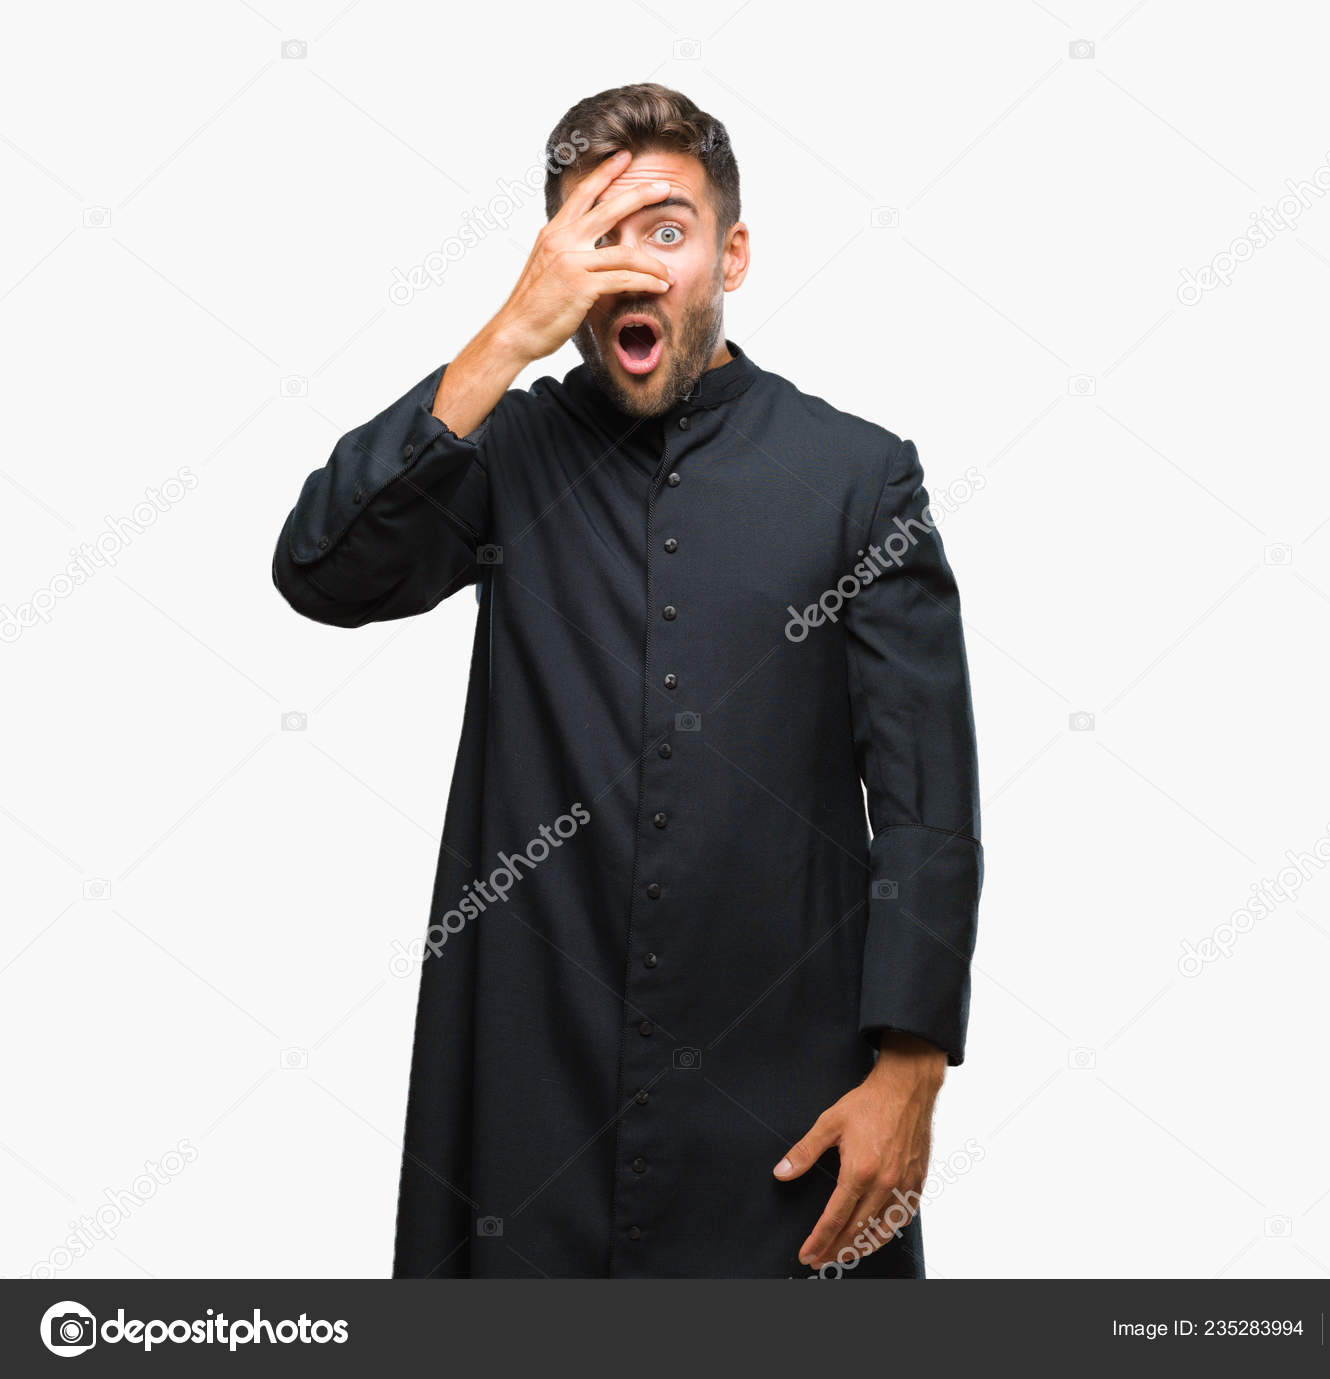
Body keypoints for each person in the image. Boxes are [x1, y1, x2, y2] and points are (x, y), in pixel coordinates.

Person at [271, 83, 982, 1279]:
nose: (635, 266)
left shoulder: (858, 476)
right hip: (525, 1109)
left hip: (785, 1118)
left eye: (667, 229)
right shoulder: (501, 447)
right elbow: (323, 571)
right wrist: (505, 335)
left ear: (732, 254)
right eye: (597, 235)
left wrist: (908, 1071)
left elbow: (925, 799)